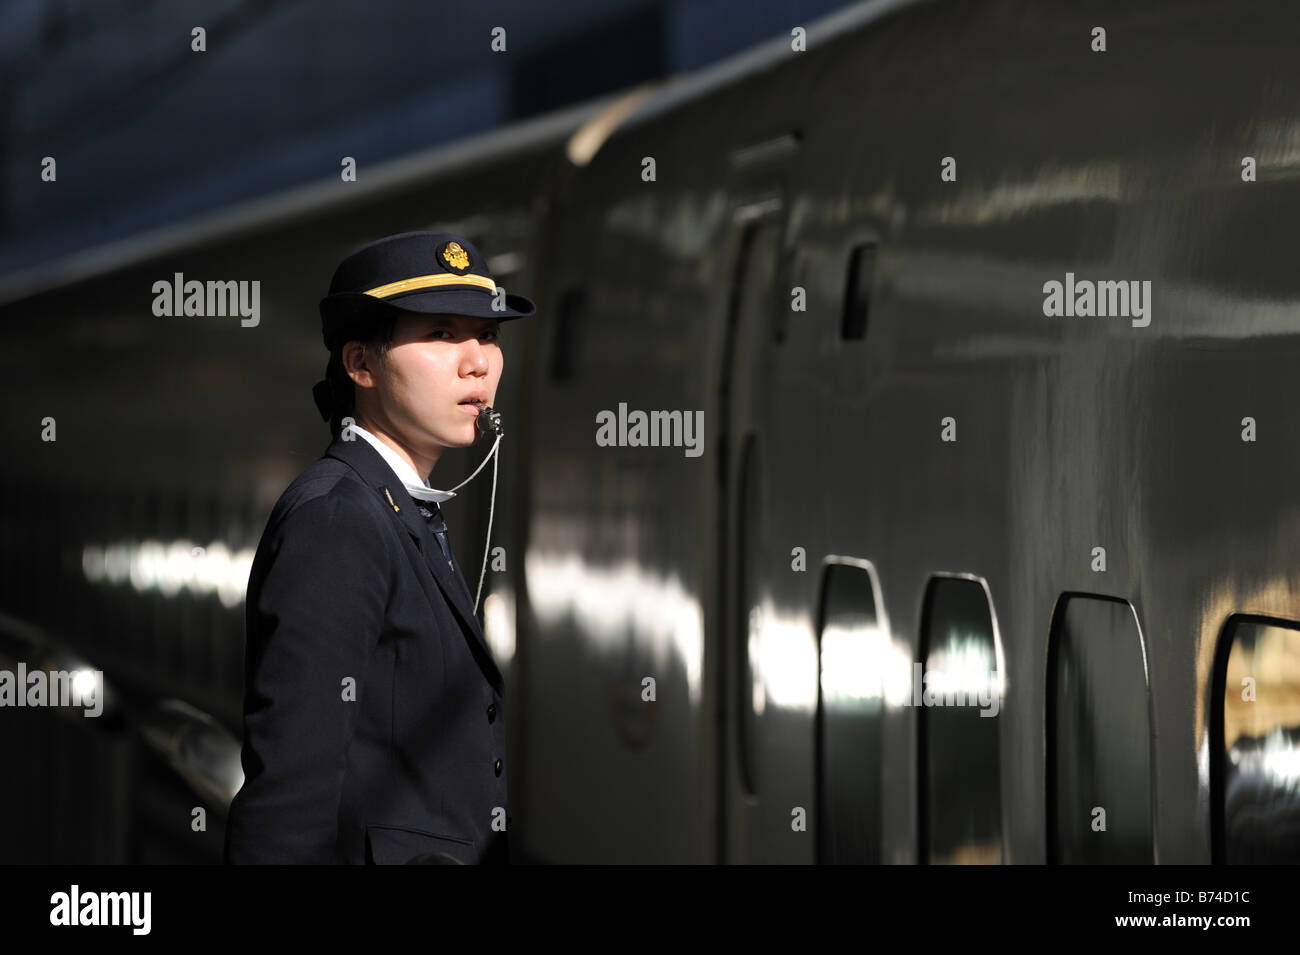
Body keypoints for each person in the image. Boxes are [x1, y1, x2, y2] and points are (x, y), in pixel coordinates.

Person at [224, 231, 535, 864]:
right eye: (443, 334)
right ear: (361, 364)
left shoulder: (390, 503)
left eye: (488, 336)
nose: (477, 361)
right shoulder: (339, 518)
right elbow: (290, 792)